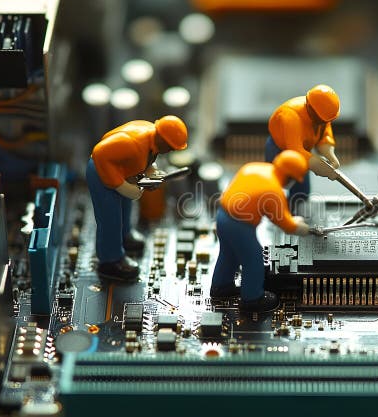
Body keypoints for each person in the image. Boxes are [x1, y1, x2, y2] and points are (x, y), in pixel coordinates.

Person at [86, 116, 188, 281]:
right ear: (162, 138)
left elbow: (144, 159)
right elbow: (99, 154)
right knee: (111, 219)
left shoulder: (152, 137)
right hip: (101, 171)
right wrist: (122, 186)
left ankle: (125, 236)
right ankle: (111, 261)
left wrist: (151, 173)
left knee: (126, 207)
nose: (171, 150)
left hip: (122, 170)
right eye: (170, 146)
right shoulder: (133, 143)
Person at [211, 150, 312, 312]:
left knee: (228, 254)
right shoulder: (273, 190)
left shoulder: (254, 167)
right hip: (239, 225)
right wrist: (303, 228)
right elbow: (286, 224)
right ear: (289, 177)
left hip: (222, 216)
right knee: (253, 258)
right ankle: (252, 299)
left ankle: (221, 287)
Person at [265, 84, 341, 208]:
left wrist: (331, 156)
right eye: (322, 120)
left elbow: (324, 135)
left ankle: (295, 211)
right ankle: (275, 212)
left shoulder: (322, 116)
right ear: (310, 108)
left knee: (301, 192)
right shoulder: (291, 116)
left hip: (304, 152)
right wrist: (323, 168)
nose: (325, 123)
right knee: (274, 187)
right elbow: (296, 152)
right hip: (279, 150)